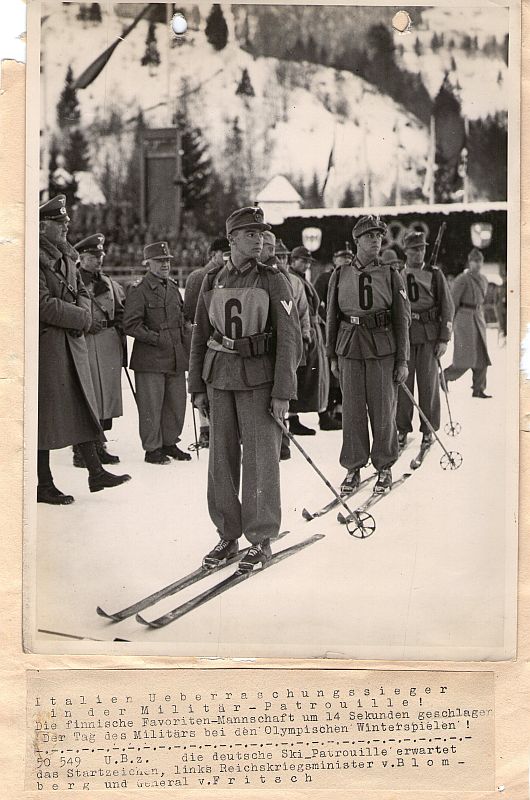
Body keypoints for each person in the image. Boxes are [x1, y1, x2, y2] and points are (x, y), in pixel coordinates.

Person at [188, 206, 302, 571]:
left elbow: (289, 339)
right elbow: (200, 337)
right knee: (220, 459)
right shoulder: (213, 280)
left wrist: (283, 391)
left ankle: (261, 536)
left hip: (259, 380)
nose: (259, 240)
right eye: (250, 234)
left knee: (260, 460)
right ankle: (227, 533)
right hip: (219, 378)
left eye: (261, 234)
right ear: (233, 239)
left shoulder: (273, 279)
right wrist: (196, 386)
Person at [38, 195, 131, 504]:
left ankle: (95, 471)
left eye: (66, 222)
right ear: (42, 227)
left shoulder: (65, 258)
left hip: (70, 343)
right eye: (59, 223)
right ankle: (44, 483)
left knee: (82, 405)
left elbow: (79, 291)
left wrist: (82, 312)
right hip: (49, 346)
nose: (66, 227)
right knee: (46, 417)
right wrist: (81, 316)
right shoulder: (34, 259)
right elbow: (41, 304)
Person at [326, 215, 411, 495]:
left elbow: (402, 320)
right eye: (369, 236)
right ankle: (353, 466)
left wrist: (402, 359)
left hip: (381, 348)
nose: (375, 240)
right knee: (352, 410)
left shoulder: (390, 273)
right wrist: (332, 355)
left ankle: (384, 465)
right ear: (357, 240)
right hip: (349, 346)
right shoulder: (340, 274)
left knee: (383, 407)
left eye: (378, 236)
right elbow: (332, 318)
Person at [123, 241, 192, 464]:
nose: (165, 265)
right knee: (151, 405)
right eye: (160, 261)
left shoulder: (172, 287)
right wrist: (156, 338)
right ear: (148, 264)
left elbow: (181, 318)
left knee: (176, 402)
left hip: (175, 354)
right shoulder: (139, 290)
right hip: (150, 357)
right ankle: (152, 449)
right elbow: (131, 324)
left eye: (167, 261)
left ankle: (170, 443)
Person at [395, 231, 454, 450]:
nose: (419, 253)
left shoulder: (434, 274)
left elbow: (447, 306)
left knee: (428, 385)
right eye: (414, 249)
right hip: (406, 337)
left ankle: (428, 429)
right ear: (406, 251)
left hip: (429, 335)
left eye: (422, 248)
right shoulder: (398, 274)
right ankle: (401, 429)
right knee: (403, 384)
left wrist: (444, 338)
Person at [72, 233, 126, 467]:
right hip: (83, 339)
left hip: (107, 341)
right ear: (82, 258)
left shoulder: (109, 283)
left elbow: (120, 311)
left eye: (100, 256)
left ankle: (99, 444)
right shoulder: (72, 281)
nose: (98, 260)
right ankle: (80, 449)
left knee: (105, 396)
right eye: (93, 256)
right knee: (86, 394)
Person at [183, 237, 229, 448]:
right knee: (203, 383)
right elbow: (193, 314)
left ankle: (215, 430)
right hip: (204, 338)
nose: (227, 257)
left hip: (219, 341)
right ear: (214, 254)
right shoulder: (199, 276)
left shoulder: (229, 275)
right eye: (223, 253)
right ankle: (205, 430)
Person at [286, 245, 330, 440]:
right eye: (302, 261)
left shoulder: (302, 279)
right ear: (293, 260)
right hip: (302, 329)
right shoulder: (290, 279)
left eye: (307, 262)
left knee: (315, 375)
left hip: (313, 327)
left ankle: (322, 413)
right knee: (301, 375)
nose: (305, 265)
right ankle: (293, 418)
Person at [443, 248, 492, 398]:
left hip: (478, 317)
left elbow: (483, 300)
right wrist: (450, 323)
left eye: (480, 261)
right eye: (474, 261)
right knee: (465, 357)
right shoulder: (462, 279)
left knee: (482, 356)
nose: (477, 264)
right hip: (464, 319)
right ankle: (444, 377)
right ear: (469, 262)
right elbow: (452, 302)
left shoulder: (483, 279)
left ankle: (479, 388)